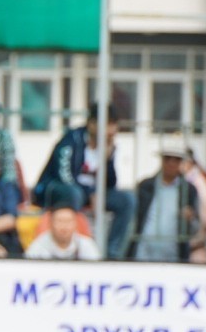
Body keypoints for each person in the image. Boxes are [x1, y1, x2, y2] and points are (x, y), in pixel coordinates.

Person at [32, 103, 134, 259]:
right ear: (92, 124)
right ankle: (76, 249)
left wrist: (107, 159)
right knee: (75, 193)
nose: (111, 131)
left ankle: (112, 253)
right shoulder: (71, 140)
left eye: (113, 126)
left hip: (89, 193)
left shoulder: (109, 146)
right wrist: (91, 193)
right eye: (107, 125)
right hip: (59, 190)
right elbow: (65, 176)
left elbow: (111, 183)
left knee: (127, 200)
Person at [126, 135, 202, 264]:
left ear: (181, 162)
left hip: (173, 255)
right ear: (161, 160)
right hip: (143, 252)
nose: (171, 163)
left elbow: (195, 228)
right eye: (167, 159)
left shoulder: (188, 191)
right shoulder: (146, 186)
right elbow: (133, 219)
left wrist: (190, 218)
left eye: (176, 160)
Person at [25, 200, 102, 261]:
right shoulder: (39, 246)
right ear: (51, 223)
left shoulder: (86, 245)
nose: (64, 226)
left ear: (75, 223)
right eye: (60, 221)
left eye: (68, 221)